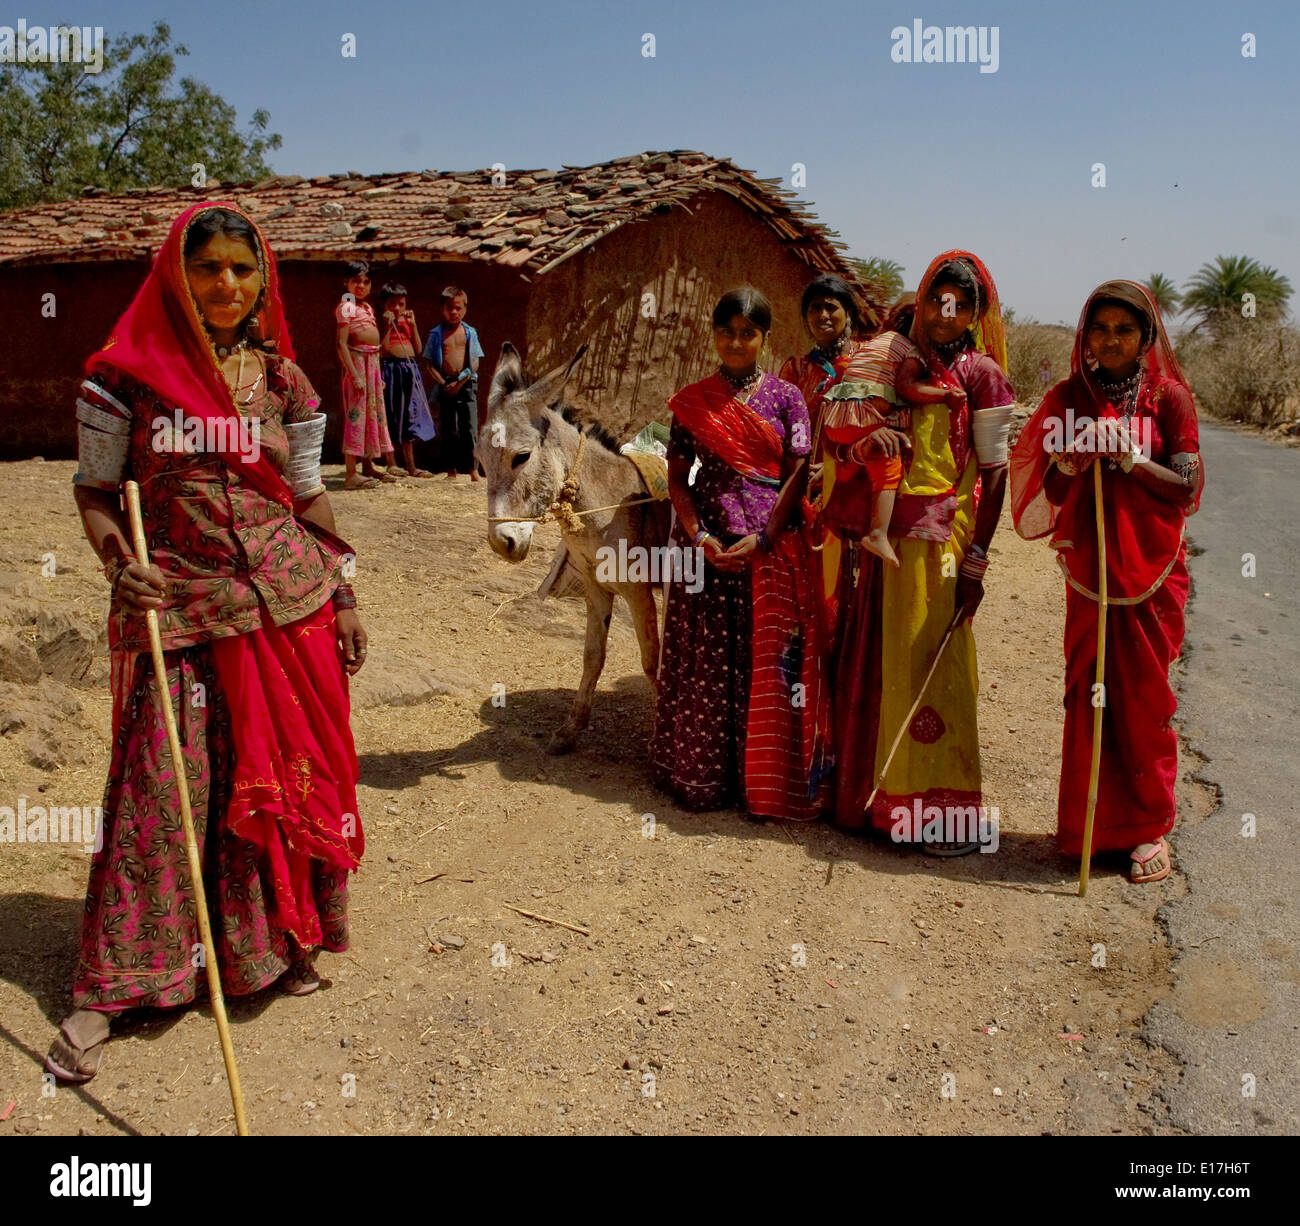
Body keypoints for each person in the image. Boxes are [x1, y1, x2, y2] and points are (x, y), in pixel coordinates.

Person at [45, 203, 368, 1083]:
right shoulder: (126, 382)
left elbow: (307, 500)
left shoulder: (291, 385)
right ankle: (115, 984)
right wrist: (119, 561)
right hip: (179, 604)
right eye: (209, 269)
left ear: (263, 281)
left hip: (286, 606)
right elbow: (96, 493)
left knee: (282, 777)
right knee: (166, 785)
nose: (227, 286)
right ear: (175, 276)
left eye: (243, 270)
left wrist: (343, 591)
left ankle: (269, 948)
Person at [1010, 280, 1204, 883]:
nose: (1111, 341)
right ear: (1085, 336)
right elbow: (1054, 491)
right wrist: (1069, 462)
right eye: (1101, 329)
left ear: (1146, 337)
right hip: (1092, 570)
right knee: (1088, 694)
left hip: (1152, 568)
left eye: (1125, 330)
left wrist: (1130, 459)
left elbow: (1188, 486)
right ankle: (1089, 825)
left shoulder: (1170, 400)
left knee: (1144, 699)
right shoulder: (1068, 397)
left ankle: (1147, 828)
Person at [828, 252, 1015, 851]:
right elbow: (841, 438)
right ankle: (873, 804)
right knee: (877, 662)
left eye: (959, 303)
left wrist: (977, 562)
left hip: (940, 544)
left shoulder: (982, 375)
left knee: (938, 670)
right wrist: (863, 449)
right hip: (879, 539)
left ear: (976, 313)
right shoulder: (890, 358)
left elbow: (996, 472)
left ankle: (940, 815)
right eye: (936, 298)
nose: (944, 312)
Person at [651, 286, 832, 821]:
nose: (736, 342)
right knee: (704, 664)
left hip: (768, 551)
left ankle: (763, 785)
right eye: (726, 332)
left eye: (747, 333)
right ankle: (700, 774)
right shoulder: (691, 402)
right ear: (713, 335)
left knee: (765, 667)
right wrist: (698, 536)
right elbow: (678, 477)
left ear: (764, 338)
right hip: (706, 550)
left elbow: (799, 469)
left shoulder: (786, 399)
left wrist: (770, 535)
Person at [335, 259, 400, 488]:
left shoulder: (367, 307)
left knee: (372, 416)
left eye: (365, 281)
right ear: (346, 283)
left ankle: (368, 465)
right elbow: (341, 344)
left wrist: (376, 374)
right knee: (356, 416)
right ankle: (351, 473)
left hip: (372, 364)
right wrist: (355, 375)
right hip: (357, 364)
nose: (360, 285)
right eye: (356, 281)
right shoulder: (347, 306)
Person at [422, 285, 484, 481]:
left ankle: (473, 469)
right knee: (449, 428)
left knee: (470, 428)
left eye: (458, 307)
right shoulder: (436, 334)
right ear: (443, 309)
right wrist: (443, 383)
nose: (454, 312)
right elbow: (429, 364)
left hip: (465, 384)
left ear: (465, 308)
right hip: (445, 386)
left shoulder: (469, 333)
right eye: (450, 307)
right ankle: (451, 470)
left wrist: (460, 381)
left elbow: (475, 362)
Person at [378, 282, 437, 477]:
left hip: (409, 369)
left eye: (401, 304)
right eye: (392, 304)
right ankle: (392, 463)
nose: (397, 308)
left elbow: (418, 349)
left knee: (408, 417)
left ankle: (411, 466)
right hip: (392, 370)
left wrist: (414, 326)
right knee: (391, 414)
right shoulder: (382, 322)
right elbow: (383, 350)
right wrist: (388, 326)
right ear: (385, 305)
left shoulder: (407, 323)